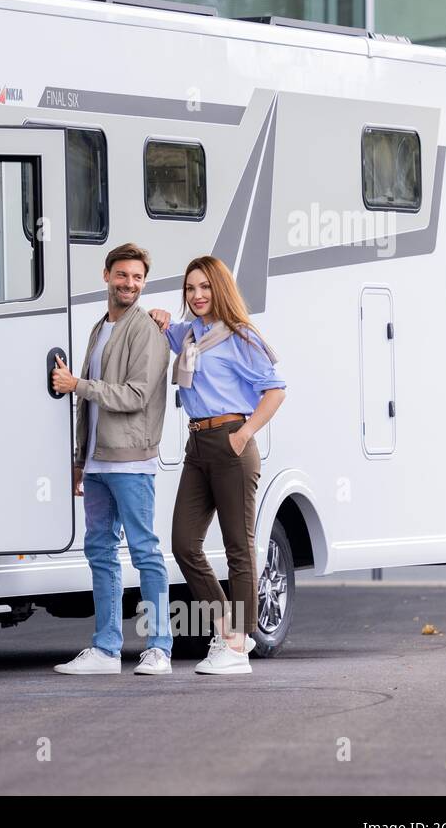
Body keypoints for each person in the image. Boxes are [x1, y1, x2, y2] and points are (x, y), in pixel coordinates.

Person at [148, 256, 287, 675]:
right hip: (197, 444)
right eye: (190, 288)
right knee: (184, 544)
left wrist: (243, 435)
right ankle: (226, 628)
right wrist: (157, 316)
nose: (197, 295)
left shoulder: (240, 337)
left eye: (205, 287)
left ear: (220, 289)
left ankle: (239, 646)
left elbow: (276, 391)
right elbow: (164, 329)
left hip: (231, 442)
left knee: (238, 547)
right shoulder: (189, 334)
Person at [50, 243, 174, 675]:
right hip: (99, 462)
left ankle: (159, 647)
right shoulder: (100, 327)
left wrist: (77, 384)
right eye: (122, 275)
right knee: (100, 551)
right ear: (106, 276)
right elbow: (89, 409)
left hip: (132, 461)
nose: (130, 284)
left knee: (145, 552)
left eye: (138, 277)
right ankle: (105, 649)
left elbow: (137, 395)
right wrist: (79, 459)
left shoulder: (148, 331)